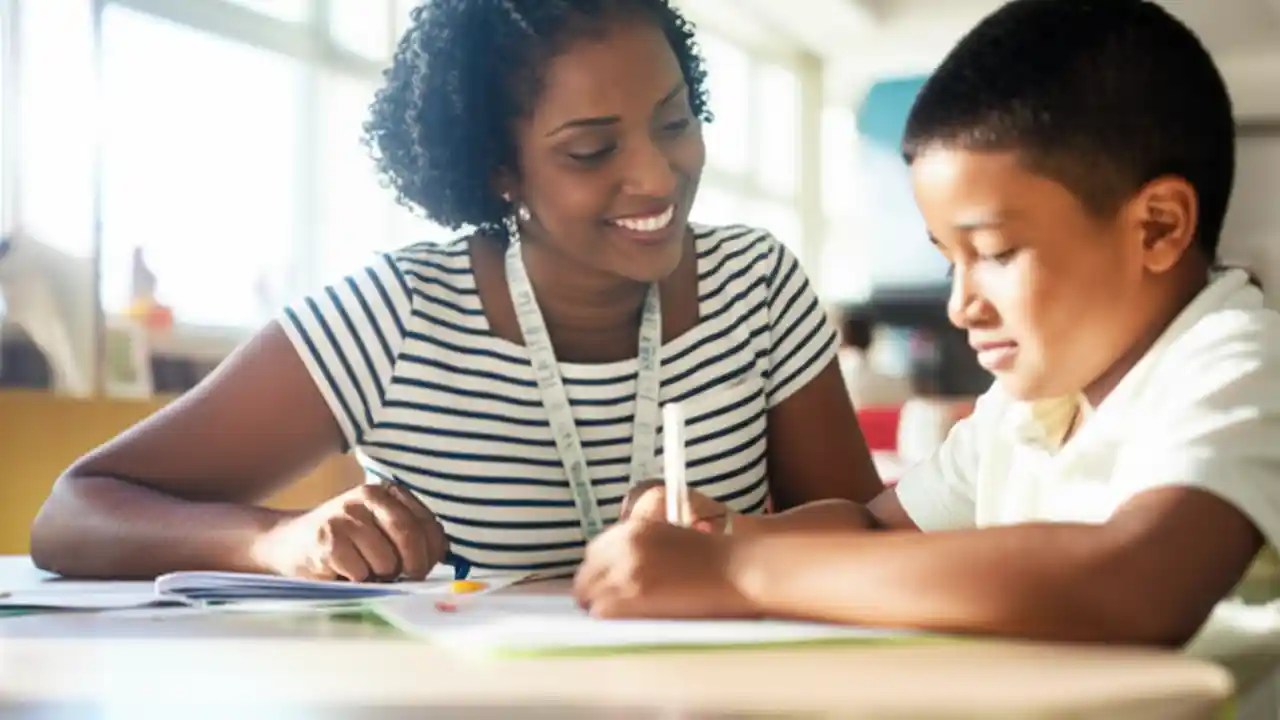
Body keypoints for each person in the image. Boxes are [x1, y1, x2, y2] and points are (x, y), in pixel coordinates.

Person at [30, 0, 882, 581]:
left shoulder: (756, 288)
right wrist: (276, 540)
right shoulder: (393, 317)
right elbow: (72, 515)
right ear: (498, 170)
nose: (658, 177)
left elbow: (871, 537)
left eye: (674, 122)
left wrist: (739, 543)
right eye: (592, 152)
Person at [574, 0, 1280, 649]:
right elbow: (876, 529)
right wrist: (715, 536)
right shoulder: (1024, 407)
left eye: (997, 253)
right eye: (950, 261)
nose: (961, 305)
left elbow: (1139, 583)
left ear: (1157, 227)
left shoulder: (1239, 363)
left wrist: (743, 571)